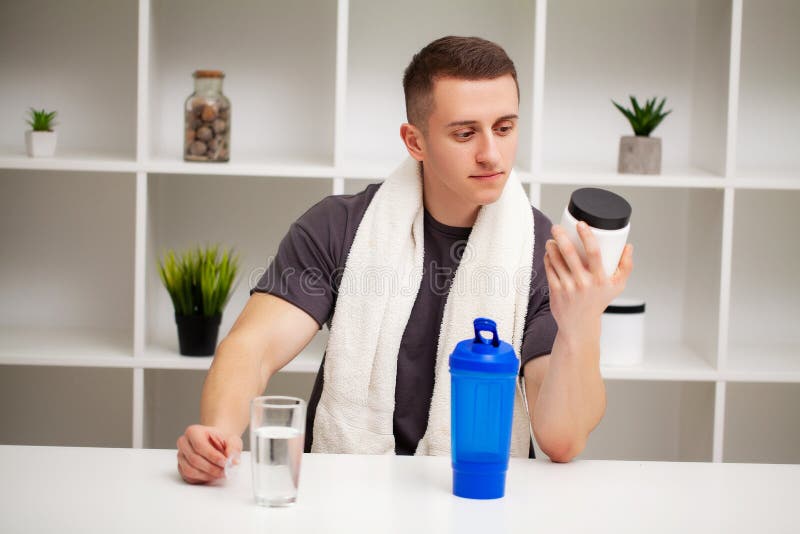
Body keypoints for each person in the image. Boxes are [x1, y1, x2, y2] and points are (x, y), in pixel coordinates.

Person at [176, 36, 633, 484]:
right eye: (465, 132)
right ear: (415, 141)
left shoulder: (540, 247)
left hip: (476, 496)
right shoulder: (339, 227)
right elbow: (252, 348)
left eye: (505, 128)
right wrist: (218, 431)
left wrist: (581, 324)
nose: (491, 153)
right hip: (347, 502)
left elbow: (562, 439)